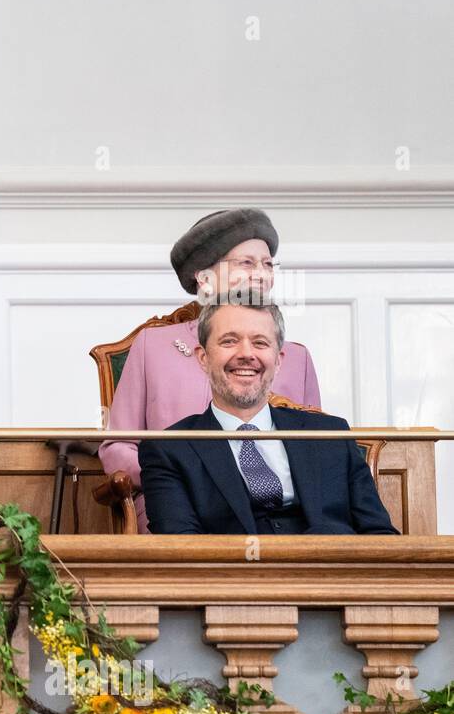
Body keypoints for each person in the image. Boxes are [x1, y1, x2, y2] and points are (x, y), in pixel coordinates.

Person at [99, 208, 320, 532]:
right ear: (204, 278)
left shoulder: (294, 356)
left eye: (267, 264)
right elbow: (117, 449)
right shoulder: (152, 346)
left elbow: (318, 450)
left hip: (281, 519)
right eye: (246, 263)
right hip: (178, 511)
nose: (261, 274)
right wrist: (183, 478)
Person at [138, 299, 396, 535]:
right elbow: (180, 552)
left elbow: (380, 536)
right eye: (229, 341)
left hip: (332, 577)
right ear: (203, 358)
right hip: (234, 582)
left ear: (279, 359)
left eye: (260, 343)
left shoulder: (331, 435)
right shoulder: (168, 449)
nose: (246, 354)